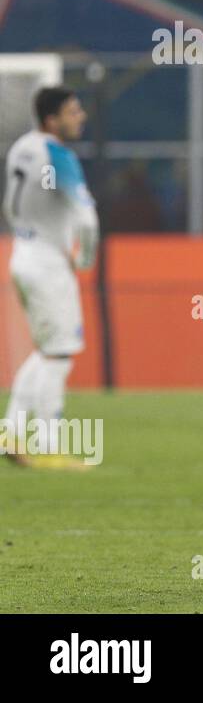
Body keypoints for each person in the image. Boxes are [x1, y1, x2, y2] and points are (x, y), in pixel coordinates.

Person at [1, 86, 98, 466]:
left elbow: (11, 204)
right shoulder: (58, 156)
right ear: (51, 119)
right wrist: (85, 259)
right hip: (49, 262)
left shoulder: (20, 148)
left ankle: (11, 432)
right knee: (59, 355)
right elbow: (87, 219)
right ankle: (49, 446)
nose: (81, 117)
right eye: (73, 112)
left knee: (46, 351)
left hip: (21, 253)